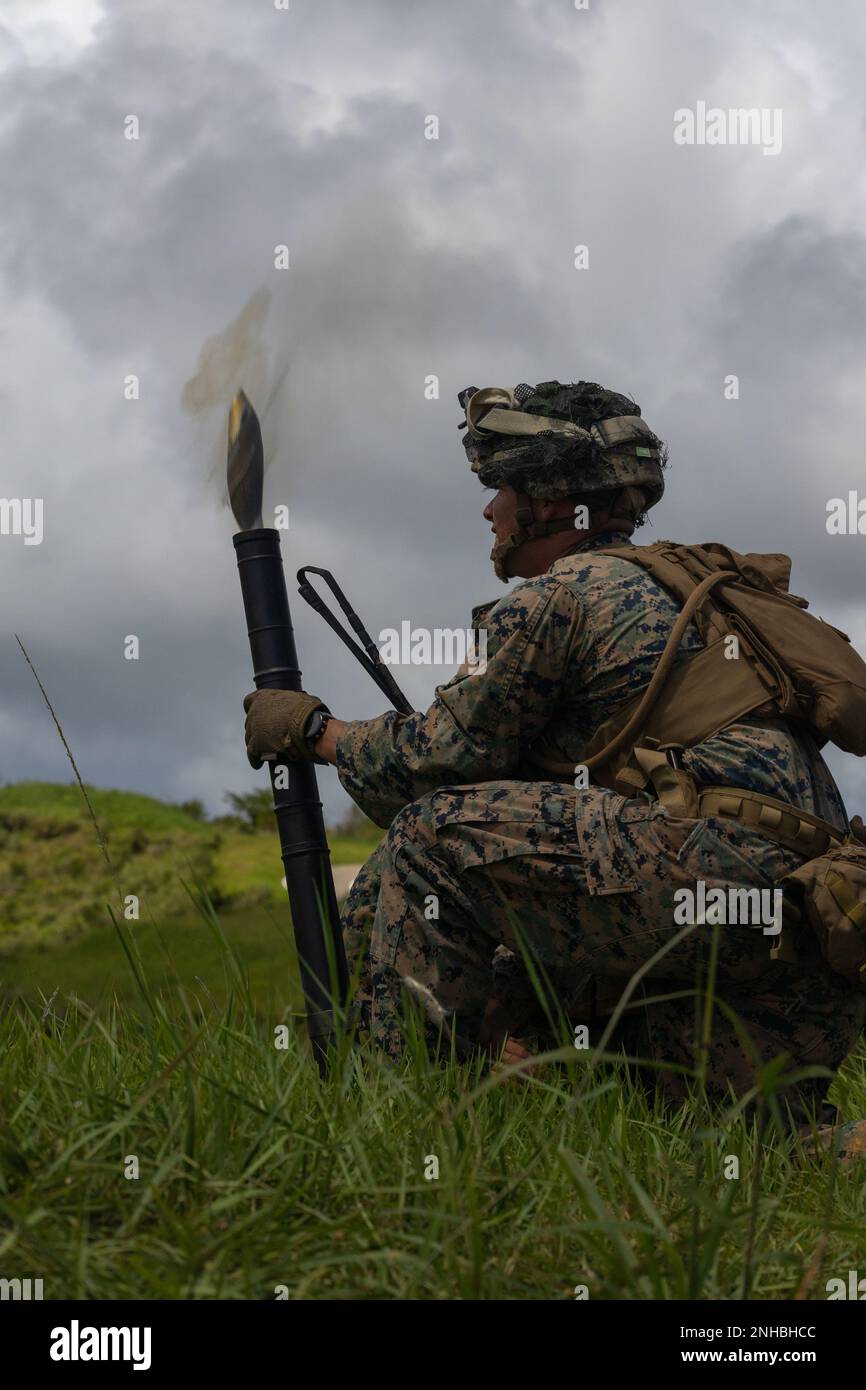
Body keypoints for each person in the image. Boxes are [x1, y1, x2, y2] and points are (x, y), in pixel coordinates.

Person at [243, 379, 865, 1152]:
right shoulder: (695, 591)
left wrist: (312, 729)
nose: (488, 511)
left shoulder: (563, 594)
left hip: (707, 879)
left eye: (499, 488)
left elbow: (433, 767)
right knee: (738, 1146)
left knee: (431, 843)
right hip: (812, 916)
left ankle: (388, 1141)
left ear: (545, 497)